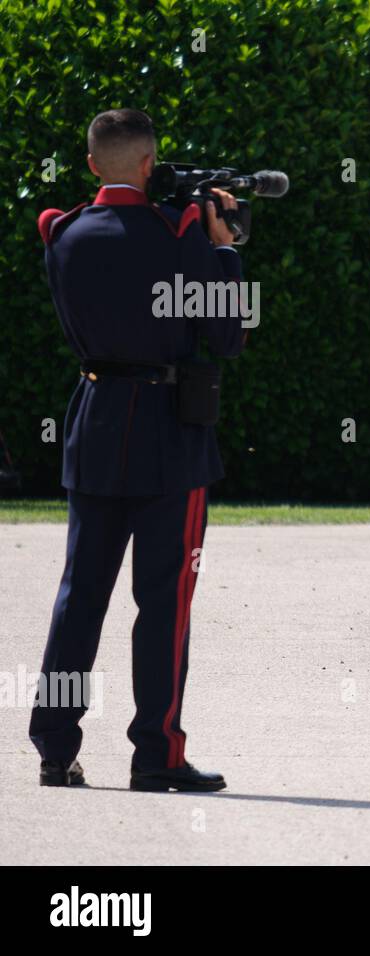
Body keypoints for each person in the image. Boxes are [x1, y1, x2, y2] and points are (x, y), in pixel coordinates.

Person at [30, 108, 247, 790]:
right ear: (150, 164)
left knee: (79, 596)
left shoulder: (60, 231)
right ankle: (157, 754)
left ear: (94, 164)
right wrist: (221, 246)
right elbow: (229, 334)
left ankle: (55, 748)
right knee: (164, 601)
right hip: (167, 431)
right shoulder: (176, 232)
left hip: (95, 422)